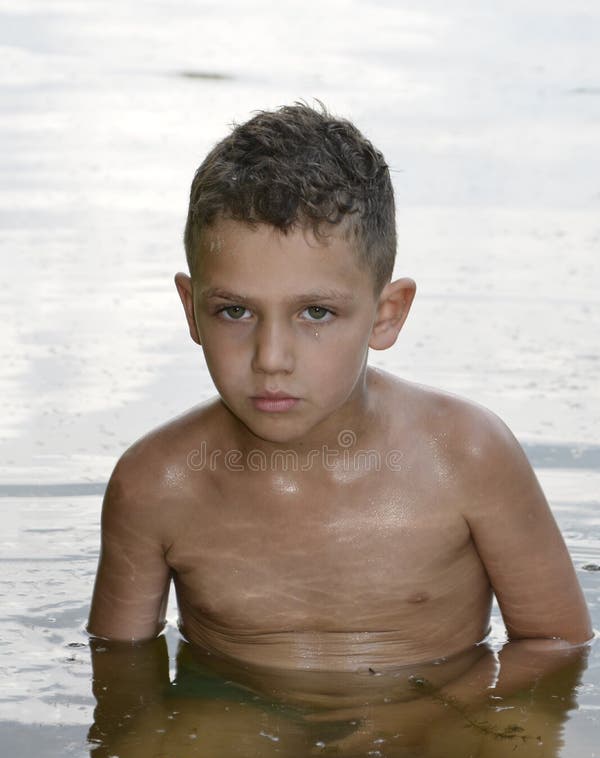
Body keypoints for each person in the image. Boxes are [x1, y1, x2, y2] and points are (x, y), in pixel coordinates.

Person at [88, 101, 592, 669]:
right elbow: (120, 678)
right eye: (234, 311)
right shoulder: (155, 485)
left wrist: (431, 718)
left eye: (316, 313)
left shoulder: (466, 458)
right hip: (244, 733)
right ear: (191, 309)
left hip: (427, 736)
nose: (271, 359)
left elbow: (557, 644)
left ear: (386, 314)